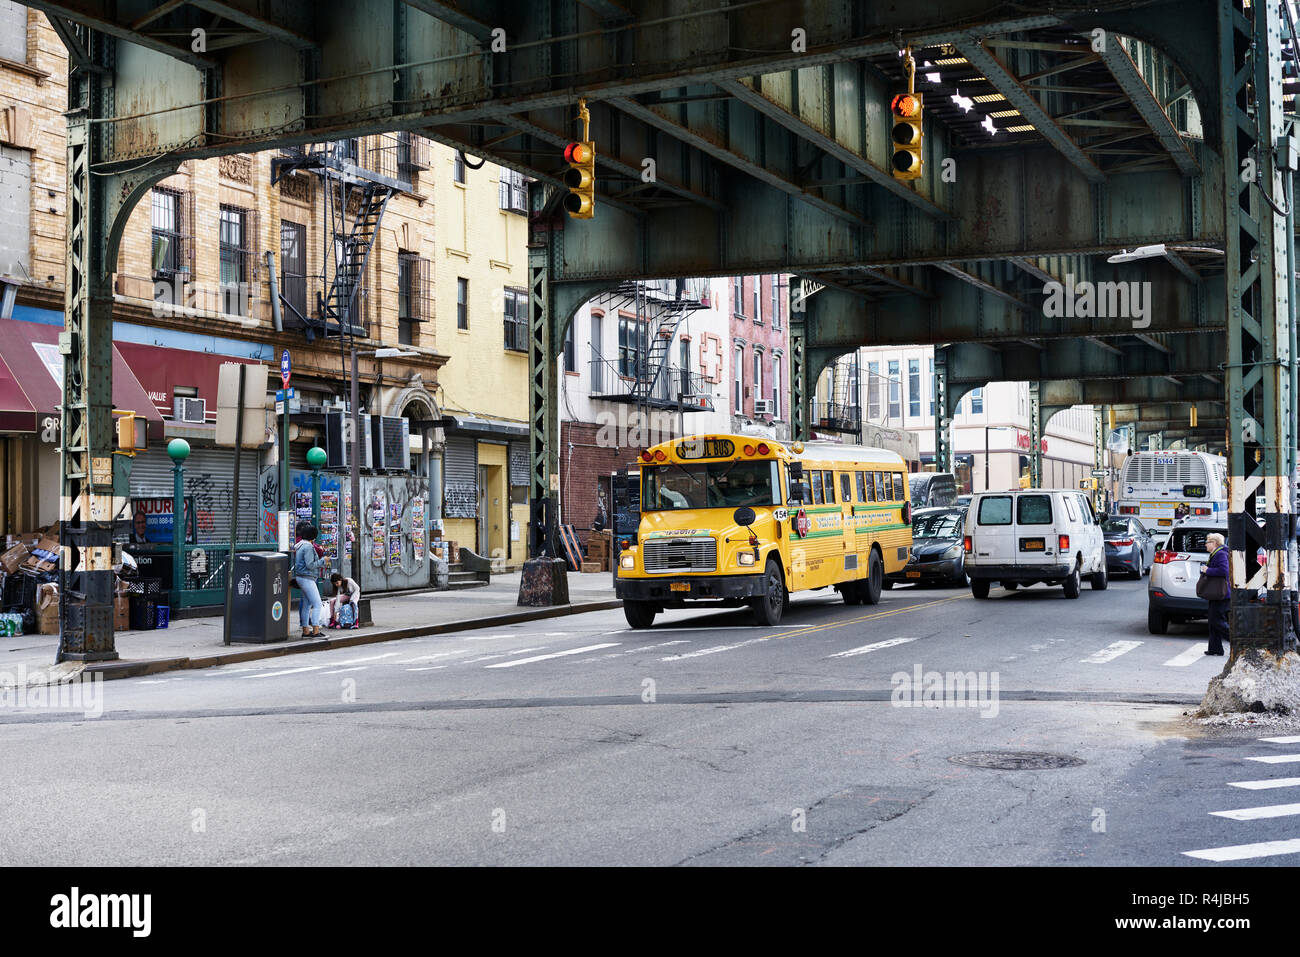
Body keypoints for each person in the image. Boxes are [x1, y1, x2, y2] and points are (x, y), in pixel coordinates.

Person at [293, 522, 327, 639]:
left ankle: (306, 631)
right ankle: (316, 630)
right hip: (307, 577)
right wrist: (323, 561)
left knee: (306, 605)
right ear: (313, 536)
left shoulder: (300, 545)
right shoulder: (308, 547)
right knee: (317, 604)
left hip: (302, 577)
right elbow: (310, 565)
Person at [1202, 531, 1229, 656]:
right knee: (1213, 621)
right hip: (1216, 592)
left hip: (1221, 593)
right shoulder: (1216, 553)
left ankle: (1236, 642)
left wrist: (1208, 570)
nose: (1205, 544)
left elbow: (1224, 570)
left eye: (1207, 542)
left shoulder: (1221, 554)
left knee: (1217, 620)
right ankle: (1215, 648)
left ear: (1214, 543)